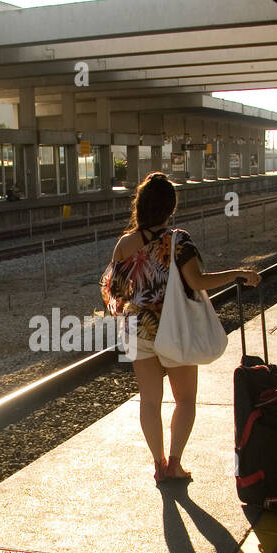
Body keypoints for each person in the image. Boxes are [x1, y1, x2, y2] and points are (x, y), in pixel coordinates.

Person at [101, 172, 260, 482]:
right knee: (185, 399)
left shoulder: (125, 243)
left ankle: (158, 465)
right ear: (170, 207)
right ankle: (174, 464)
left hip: (138, 330)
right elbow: (198, 282)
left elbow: (115, 292)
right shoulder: (179, 240)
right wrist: (237, 274)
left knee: (149, 400)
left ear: (141, 205)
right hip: (175, 329)